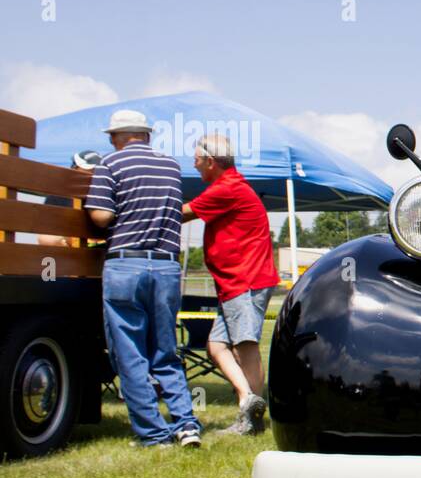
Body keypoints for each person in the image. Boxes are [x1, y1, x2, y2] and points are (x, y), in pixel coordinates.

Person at [84, 110, 201, 448]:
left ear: (116, 137)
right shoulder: (171, 166)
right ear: (146, 135)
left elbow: (102, 216)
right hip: (165, 267)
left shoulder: (111, 165)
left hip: (126, 265)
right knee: (165, 350)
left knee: (130, 353)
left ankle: (154, 434)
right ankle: (186, 424)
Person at [182, 133, 278, 435]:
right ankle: (248, 404)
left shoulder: (227, 188)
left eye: (197, 159)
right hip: (235, 283)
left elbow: (182, 213)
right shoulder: (232, 185)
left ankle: (251, 416)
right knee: (216, 345)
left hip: (244, 281)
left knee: (244, 345)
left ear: (211, 161)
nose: (194, 164)